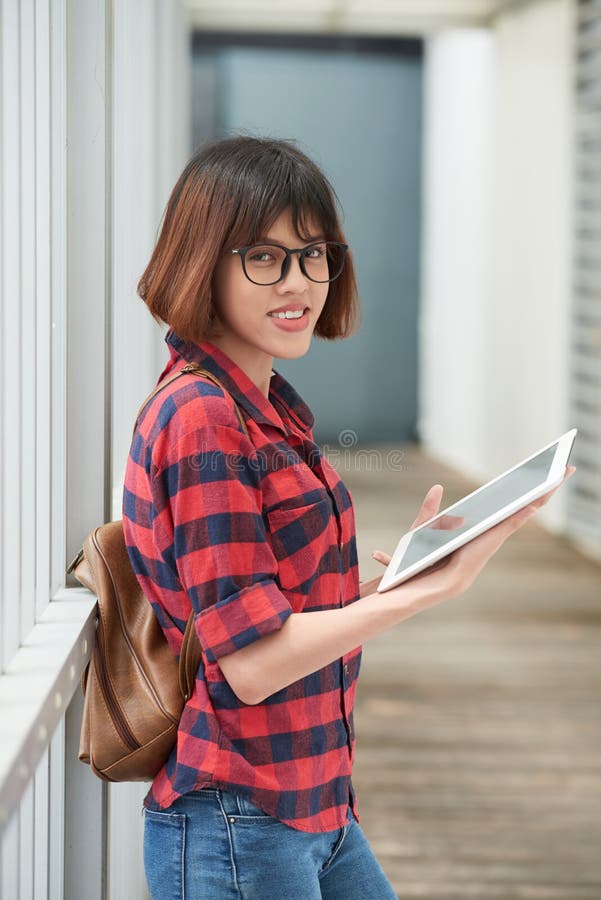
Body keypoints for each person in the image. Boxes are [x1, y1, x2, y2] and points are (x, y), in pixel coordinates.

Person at [122, 134, 574, 900]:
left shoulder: (263, 406)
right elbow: (253, 666)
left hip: (314, 806)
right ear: (203, 261)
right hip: (242, 819)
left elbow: (276, 609)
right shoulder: (202, 416)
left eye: (313, 254)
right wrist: (422, 594)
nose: (296, 282)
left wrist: (405, 571)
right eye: (262, 258)